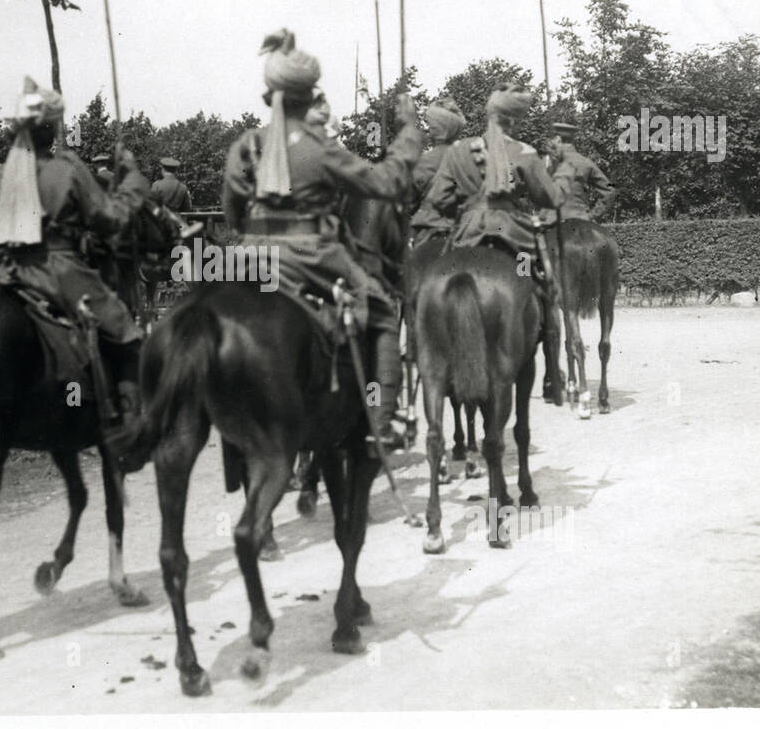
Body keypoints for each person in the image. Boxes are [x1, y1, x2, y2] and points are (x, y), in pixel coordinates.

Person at [221, 28, 424, 449]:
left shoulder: (247, 145)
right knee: (384, 312)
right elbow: (385, 182)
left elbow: (232, 210)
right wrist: (409, 132)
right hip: (309, 255)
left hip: (246, 258)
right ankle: (381, 421)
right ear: (307, 97)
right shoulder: (320, 149)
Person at [0, 80, 151, 453]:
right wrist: (134, 181)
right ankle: (129, 424)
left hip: (9, 275)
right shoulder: (68, 169)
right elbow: (109, 219)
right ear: (52, 127)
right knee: (125, 331)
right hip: (60, 272)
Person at [415, 83, 566, 334]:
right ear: (515, 121)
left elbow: (439, 198)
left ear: (488, 114)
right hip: (516, 239)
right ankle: (552, 362)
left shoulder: (458, 150)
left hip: (467, 235)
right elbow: (550, 199)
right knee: (540, 283)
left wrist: (464, 211)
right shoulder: (525, 153)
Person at [408, 97, 468, 243]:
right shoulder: (471, 158)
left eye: (430, 126)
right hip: (468, 231)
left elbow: (408, 201)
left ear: (435, 130)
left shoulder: (424, 161)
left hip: (430, 231)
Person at [545, 122, 617, 222]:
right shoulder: (585, 162)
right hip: (579, 223)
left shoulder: (547, 163)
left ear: (558, 139)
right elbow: (611, 188)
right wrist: (592, 215)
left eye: (551, 140)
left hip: (550, 225)